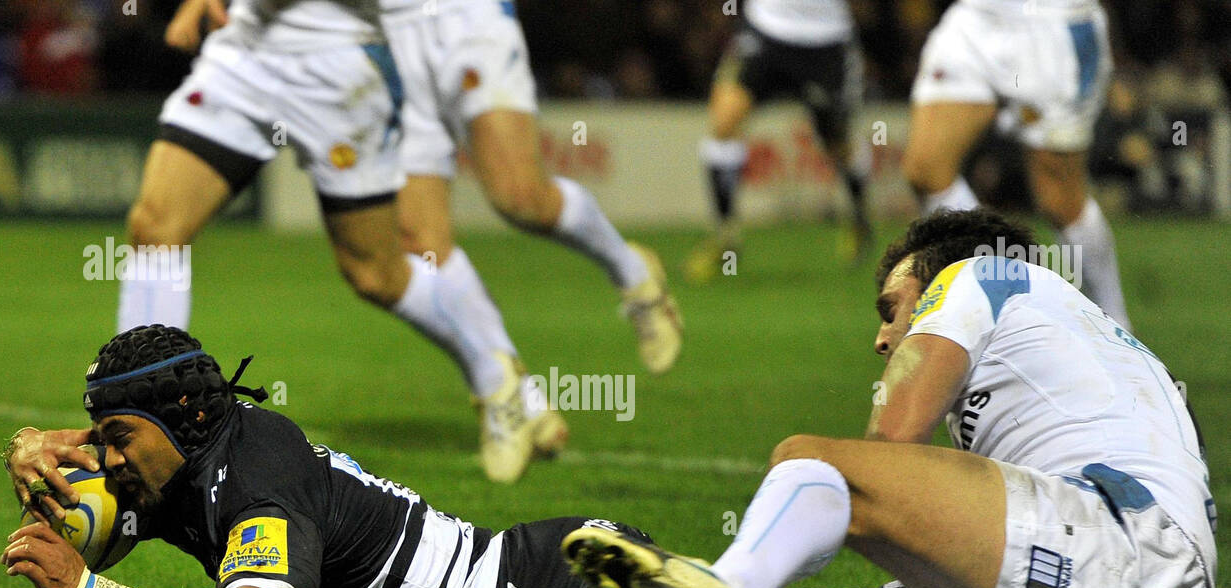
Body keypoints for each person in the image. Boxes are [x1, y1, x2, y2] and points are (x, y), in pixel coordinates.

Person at [565, 208, 1219, 588]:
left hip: (1111, 563)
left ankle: (729, 585)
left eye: (892, 307)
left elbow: (892, 443)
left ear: (935, 282)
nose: (882, 338)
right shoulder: (1109, 357)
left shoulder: (975, 274)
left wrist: (855, 501)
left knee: (812, 460)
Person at [0, 324, 801, 588]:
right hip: (540, 566)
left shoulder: (254, 469)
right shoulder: (181, 472)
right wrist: (26, 448)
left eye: (116, 436)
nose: (106, 458)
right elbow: (83, 512)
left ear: (179, 415)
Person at [120, 0, 561, 483]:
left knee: (376, 274)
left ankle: (495, 373)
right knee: (155, 226)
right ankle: (136, 415)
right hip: (246, 56)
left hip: (339, 67)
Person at [379, 0, 683, 375]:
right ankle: (512, 397)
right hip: (384, 33)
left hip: (464, 16)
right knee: (422, 243)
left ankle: (633, 272)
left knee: (521, 197)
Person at [901, 0, 1132, 330]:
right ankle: (996, 299)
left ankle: (1117, 328)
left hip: (1053, 23)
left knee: (1059, 200)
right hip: (975, 20)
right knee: (926, 169)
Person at [684, 0, 873, 283]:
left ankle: (859, 218)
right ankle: (725, 237)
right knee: (723, 125)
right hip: (764, 31)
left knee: (838, 142)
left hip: (826, 42)